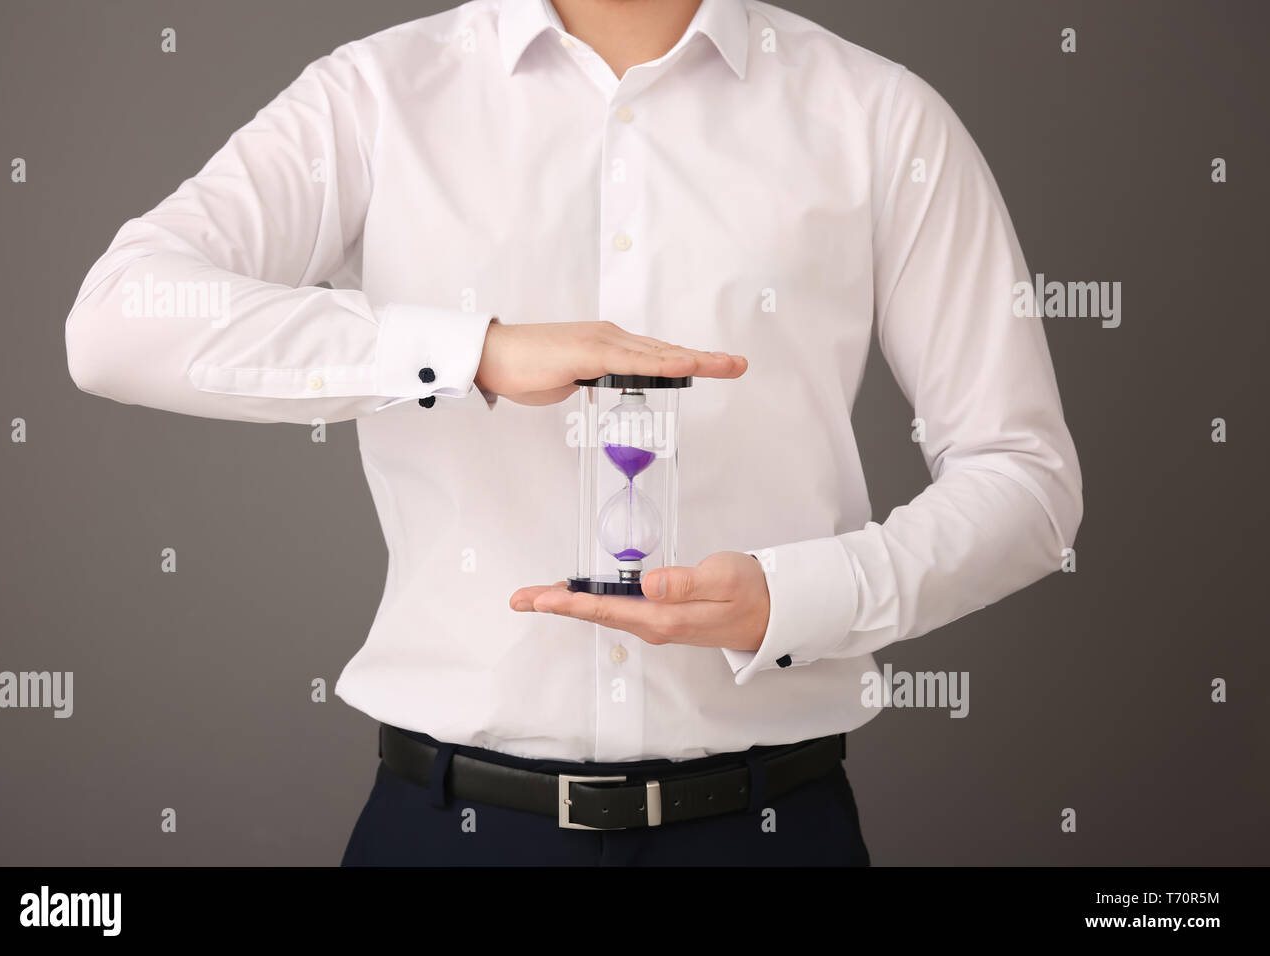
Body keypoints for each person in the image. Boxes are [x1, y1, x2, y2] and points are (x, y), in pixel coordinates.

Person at [64, 0, 1082, 866]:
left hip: (767, 826)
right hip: (451, 829)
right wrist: (471, 351)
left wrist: (799, 597)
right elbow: (116, 320)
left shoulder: (876, 115)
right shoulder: (378, 95)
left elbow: (1026, 480)